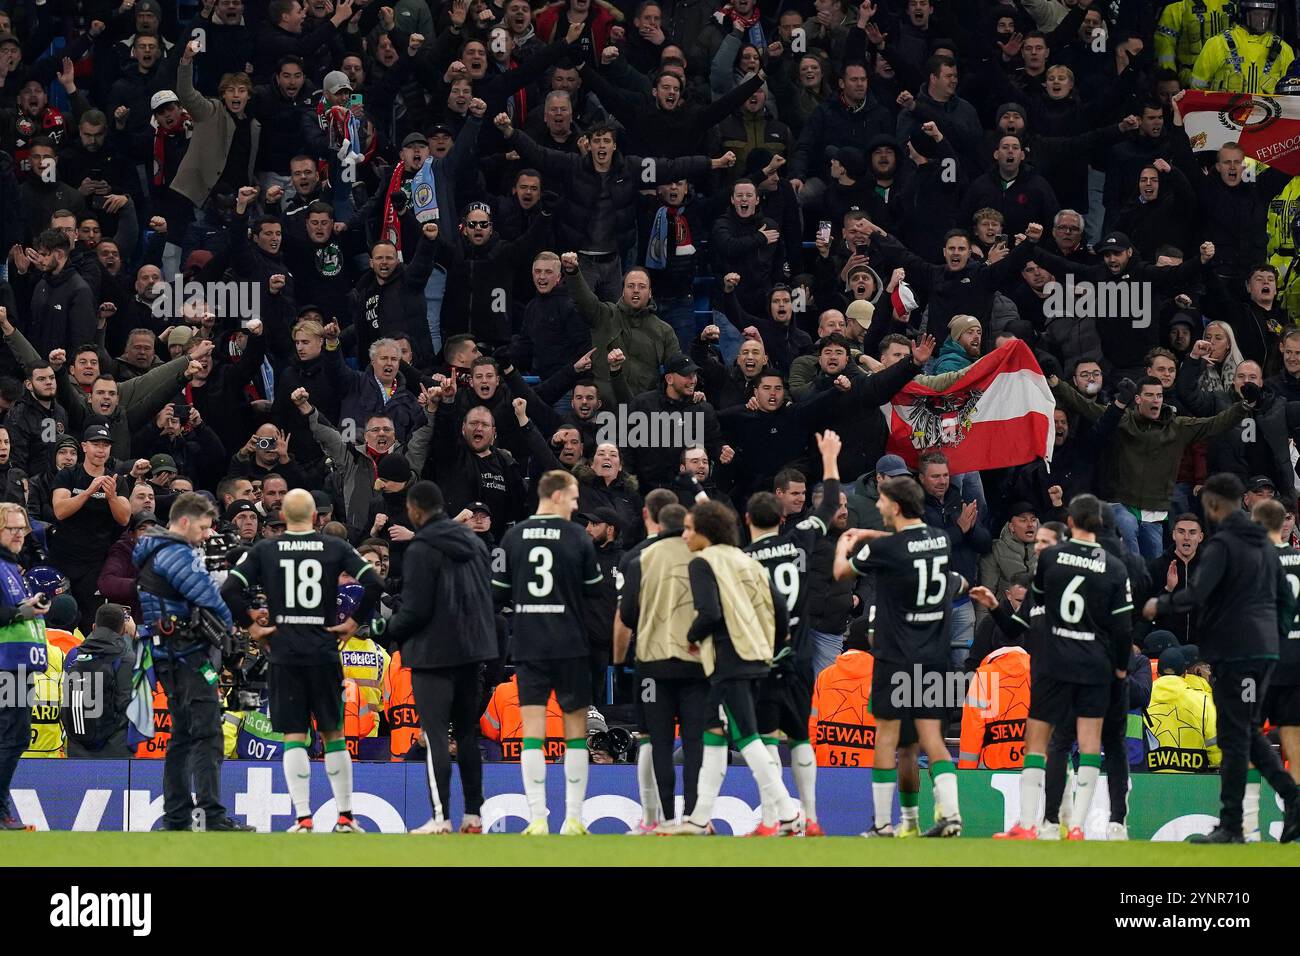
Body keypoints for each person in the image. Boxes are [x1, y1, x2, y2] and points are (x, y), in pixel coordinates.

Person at [1145, 475, 1300, 842]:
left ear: (1214, 504)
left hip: (1237, 653)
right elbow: (1285, 600)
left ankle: (1236, 824)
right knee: (1240, 732)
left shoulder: (1224, 544)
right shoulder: (1260, 544)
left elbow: (1195, 594)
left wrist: (1159, 603)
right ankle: (1274, 806)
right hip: (1260, 652)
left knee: (1237, 735)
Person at [222, 488, 383, 833]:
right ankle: (345, 816)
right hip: (323, 651)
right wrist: (354, 621)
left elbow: (229, 590)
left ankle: (303, 818)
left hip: (283, 653)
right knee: (334, 734)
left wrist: (253, 626)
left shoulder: (267, 548)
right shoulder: (335, 547)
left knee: (294, 736)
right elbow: (374, 582)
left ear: (283, 518)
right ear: (314, 518)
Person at [992, 494, 1133, 841]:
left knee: (1038, 740)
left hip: (1054, 660)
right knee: (1088, 744)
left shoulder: (1051, 556)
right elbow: (1123, 627)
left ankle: (1031, 824)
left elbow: (1038, 598)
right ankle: (1079, 828)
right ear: (1099, 525)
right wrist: (1119, 667)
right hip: (1095, 663)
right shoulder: (1115, 567)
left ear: (1070, 522)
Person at [833, 475, 966, 838]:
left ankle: (881, 825)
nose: (877, 507)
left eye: (881, 502)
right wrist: (872, 536)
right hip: (937, 657)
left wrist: (846, 544)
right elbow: (906, 544)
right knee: (930, 739)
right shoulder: (941, 539)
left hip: (895, 657)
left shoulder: (885, 551)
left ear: (894, 506)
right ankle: (950, 815)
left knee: (887, 739)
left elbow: (841, 573)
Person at [660, 500, 800, 836]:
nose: (685, 534)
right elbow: (779, 605)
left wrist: (692, 637)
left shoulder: (703, 562)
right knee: (714, 736)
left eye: (690, 528)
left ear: (705, 531)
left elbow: (709, 613)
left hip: (729, 659)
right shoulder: (744, 557)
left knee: (747, 737)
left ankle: (788, 813)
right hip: (754, 655)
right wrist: (775, 637)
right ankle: (697, 820)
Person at [742, 429, 843, 835]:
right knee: (800, 736)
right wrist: (830, 458)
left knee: (766, 737)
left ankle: (772, 819)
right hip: (802, 653)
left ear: (749, 520)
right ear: (781, 515)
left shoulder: (745, 560)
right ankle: (813, 818)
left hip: (765, 657)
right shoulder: (802, 536)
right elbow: (832, 503)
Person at [382, 480, 498, 834]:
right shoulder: (476, 545)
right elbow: (485, 598)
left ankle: (440, 818)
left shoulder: (421, 547)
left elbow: (416, 610)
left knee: (435, 736)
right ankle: (474, 816)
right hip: (472, 651)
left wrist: (386, 628)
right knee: (465, 735)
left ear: (416, 510)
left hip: (432, 655)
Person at [492, 470, 603, 835]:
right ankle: (573, 818)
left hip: (529, 643)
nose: (576, 506)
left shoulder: (513, 536)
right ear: (556, 496)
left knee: (533, 733)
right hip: (570, 644)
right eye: (573, 499)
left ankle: (538, 818)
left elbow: (496, 595)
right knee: (575, 733)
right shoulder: (577, 537)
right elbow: (595, 593)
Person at [134, 492, 253, 832]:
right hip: (184, 654)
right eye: (202, 529)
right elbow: (208, 596)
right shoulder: (174, 553)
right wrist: (237, 621)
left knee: (183, 736)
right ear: (184, 522)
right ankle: (211, 816)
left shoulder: (158, 550)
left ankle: (177, 817)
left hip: (171, 653)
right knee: (208, 733)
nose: (205, 536)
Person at [614, 501, 705, 833]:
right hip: (696, 664)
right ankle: (695, 817)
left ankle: (662, 819)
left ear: (653, 519)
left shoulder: (639, 559)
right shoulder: (702, 555)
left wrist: (620, 657)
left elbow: (627, 615)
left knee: (658, 741)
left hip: (653, 664)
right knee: (695, 742)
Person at [0, 501, 49, 830]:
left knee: (13, 737)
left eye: (22, 528)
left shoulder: (11, 567)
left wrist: (28, 608)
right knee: (11, 737)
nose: (19, 534)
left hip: (19, 665)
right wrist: (23, 612)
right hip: (7, 666)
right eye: (11, 528)